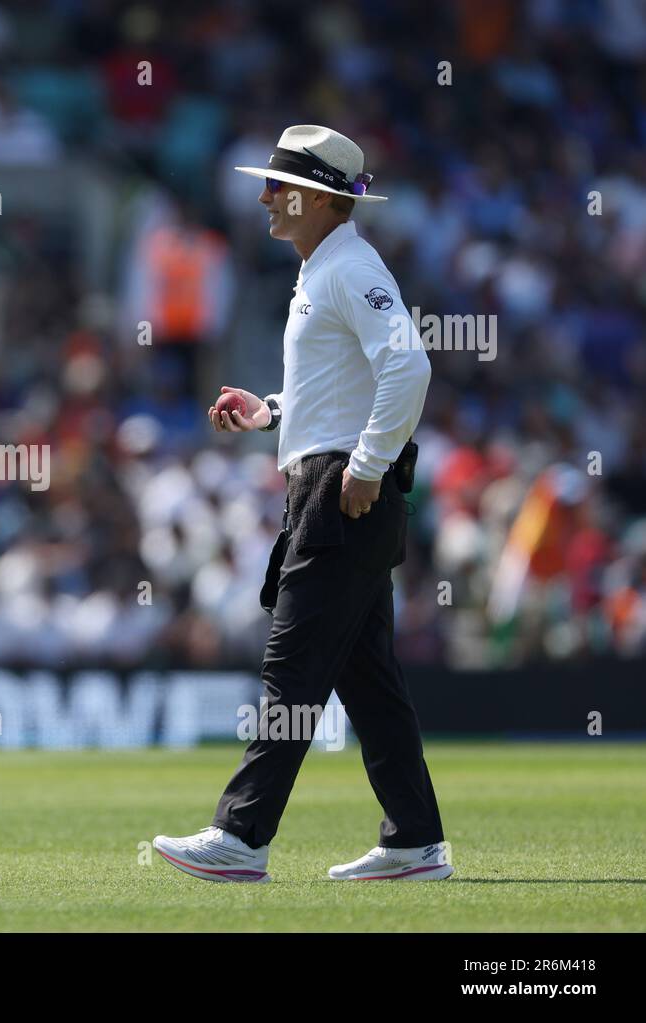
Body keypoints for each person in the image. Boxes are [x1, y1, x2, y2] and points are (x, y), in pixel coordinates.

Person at [153, 126, 453, 882]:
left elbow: (407, 366)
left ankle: (241, 836)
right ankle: (415, 840)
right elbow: (345, 383)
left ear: (318, 197)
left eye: (277, 186)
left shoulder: (347, 267)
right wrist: (272, 410)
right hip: (335, 484)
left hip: (341, 493)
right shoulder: (330, 267)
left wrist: (367, 464)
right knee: (370, 683)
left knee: (291, 672)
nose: (262, 198)